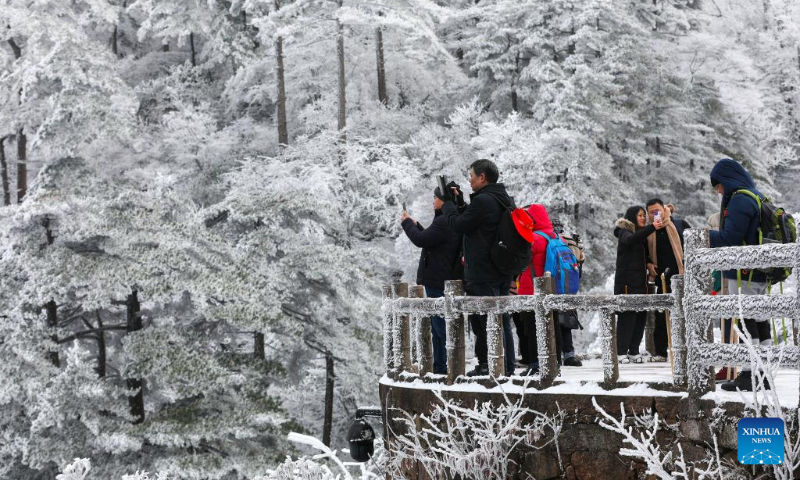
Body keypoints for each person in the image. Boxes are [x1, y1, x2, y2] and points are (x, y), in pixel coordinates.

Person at [442, 159, 515, 377]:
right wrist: (461, 203)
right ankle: (507, 367)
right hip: (502, 268)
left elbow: (459, 225)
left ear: (482, 177)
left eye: (471, 175)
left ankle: (491, 368)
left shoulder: (484, 201)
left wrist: (448, 204)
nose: (469, 179)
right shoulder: (503, 198)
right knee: (502, 319)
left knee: (487, 321)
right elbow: (477, 222)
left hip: (485, 271)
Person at [709, 158, 772, 391]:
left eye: (718, 186)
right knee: (759, 319)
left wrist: (706, 236)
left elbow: (730, 238)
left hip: (744, 270)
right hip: (759, 270)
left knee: (746, 319)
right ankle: (762, 372)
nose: (718, 191)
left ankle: (750, 373)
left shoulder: (739, 200)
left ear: (726, 180)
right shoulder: (754, 195)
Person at [401, 187, 461, 375]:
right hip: (442, 277)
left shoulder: (443, 221)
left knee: (440, 326)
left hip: (438, 279)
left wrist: (407, 225)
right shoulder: (447, 219)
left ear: (443, 200)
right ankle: (441, 366)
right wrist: (416, 224)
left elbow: (421, 240)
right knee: (439, 326)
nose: (432, 201)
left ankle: (444, 367)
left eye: (435, 198)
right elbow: (431, 238)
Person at [517, 204, 581, 375]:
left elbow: (519, 259)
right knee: (553, 326)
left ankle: (536, 364)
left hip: (532, 289)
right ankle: (555, 361)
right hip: (552, 289)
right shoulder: (556, 237)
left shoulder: (535, 239)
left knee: (532, 328)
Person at [645, 199, 690, 362]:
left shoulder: (679, 224)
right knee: (661, 316)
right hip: (663, 279)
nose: (655, 214)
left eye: (657, 210)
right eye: (651, 212)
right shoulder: (649, 232)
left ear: (664, 209)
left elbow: (693, 247)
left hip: (683, 276)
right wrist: (649, 264)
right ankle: (661, 351)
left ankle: (688, 349)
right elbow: (644, 254)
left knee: (686, 314)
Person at [614, 206, 659, 363]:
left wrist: (648, 263)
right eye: (640, 215)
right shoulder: (623, 232)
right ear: (632, 217)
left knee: (640, 316)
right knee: (628, 317)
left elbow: (640, 254)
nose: (643, 218)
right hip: (627, 283)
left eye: (644, 215)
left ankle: (633, 351)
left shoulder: (640, 236)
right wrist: (651, 227)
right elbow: (629, 241)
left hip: (640, 283)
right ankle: (620, 352)